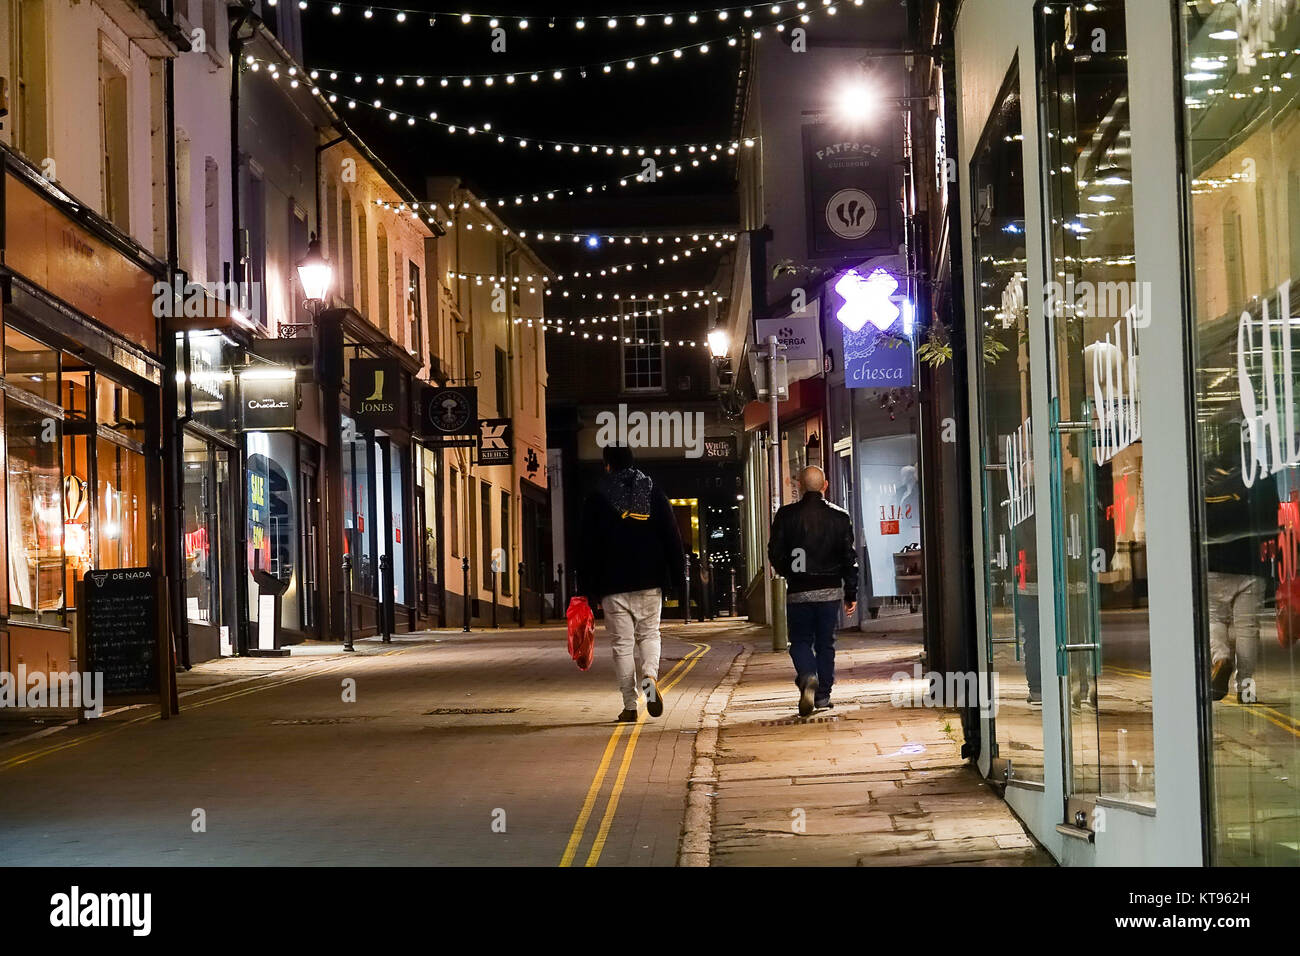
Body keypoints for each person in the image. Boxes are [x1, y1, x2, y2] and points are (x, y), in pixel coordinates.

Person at [577, 445, 686, 722]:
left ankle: (629, 705)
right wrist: (677, 578)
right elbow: (672, 536)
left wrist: (587, 589)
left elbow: (586, 547)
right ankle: (650, 676)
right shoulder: (652, 491)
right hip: (650, 580)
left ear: (607, 465)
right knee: (649, 635)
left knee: (622, 645)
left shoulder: (597, 497)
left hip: (612, 584)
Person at [768, 466, 859, 716]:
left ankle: (808, 675)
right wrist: (851, 592)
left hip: (798, 591)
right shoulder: (840, 517)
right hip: (830, 591)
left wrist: (791, 572)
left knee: (799, 641)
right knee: (826, 644)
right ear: (825, 485)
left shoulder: (785, 516)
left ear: (798, 484)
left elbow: (774, 552)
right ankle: (822, 696)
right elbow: (849, 558)